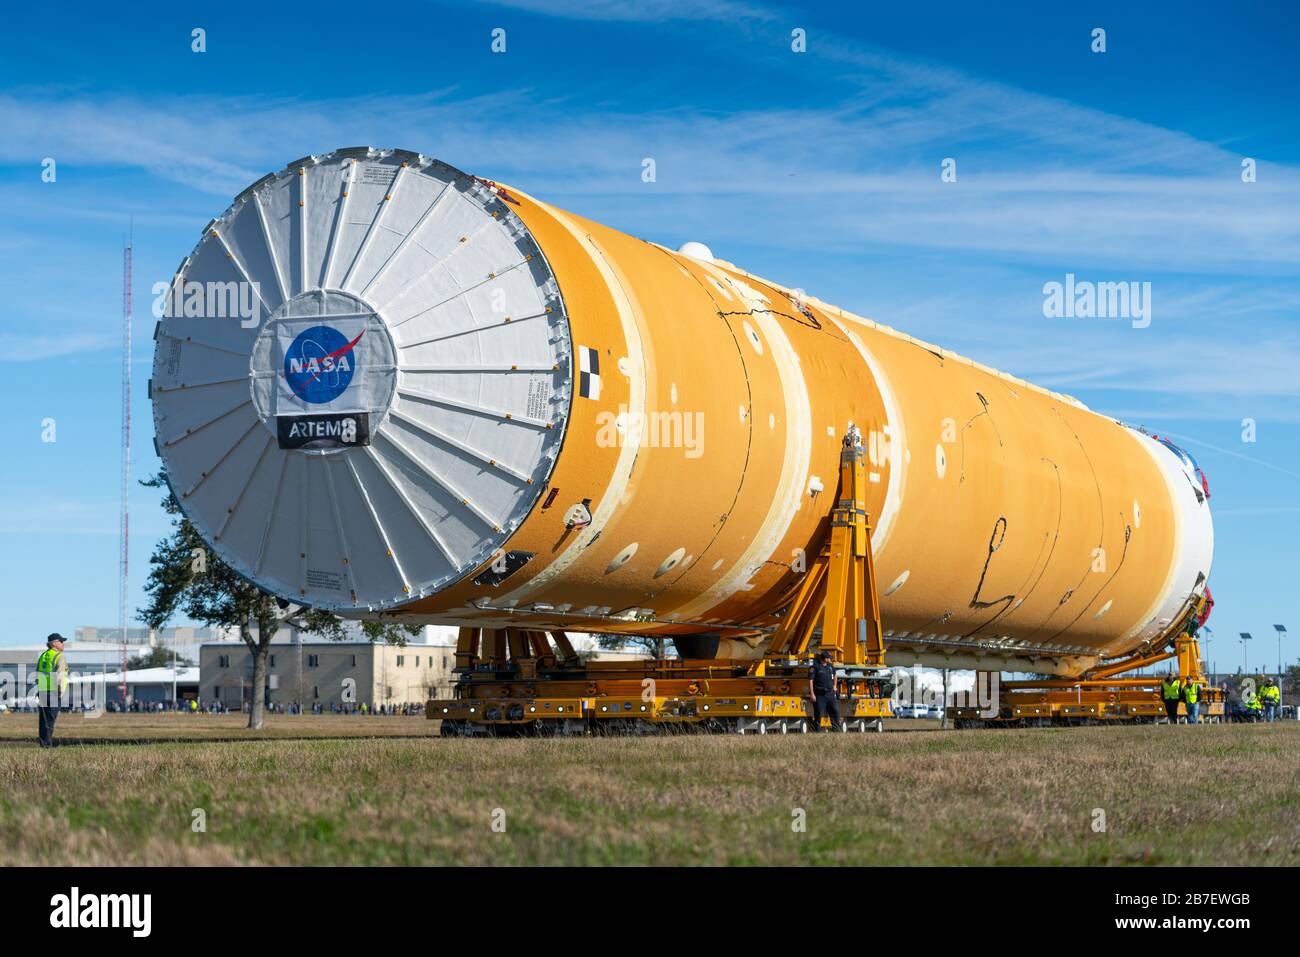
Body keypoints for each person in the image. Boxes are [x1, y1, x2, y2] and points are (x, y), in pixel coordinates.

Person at [35, 633, 69, 749]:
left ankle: (43, 743)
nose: (63, 644)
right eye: (61, 641)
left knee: (43, 720)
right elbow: (60, 677)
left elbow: (38, 674)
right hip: (54, 692)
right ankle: (47, 745)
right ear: (54, 643)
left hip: (43, 691)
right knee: (50, 720)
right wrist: (60, 692)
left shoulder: (43, 656)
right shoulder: (59, 657)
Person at [808, 650, 841, 732]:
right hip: (820, 695)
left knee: (835, 711)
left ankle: (836, 729)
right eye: (829, 658)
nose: (830, 659)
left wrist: (834, 686)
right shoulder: (815, 667)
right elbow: (810, 681)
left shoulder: (830, 666)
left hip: (830, 694)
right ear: (824, 658)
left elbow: (836, 675)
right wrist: (812, 694)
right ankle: (817, 730)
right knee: (818, 713)